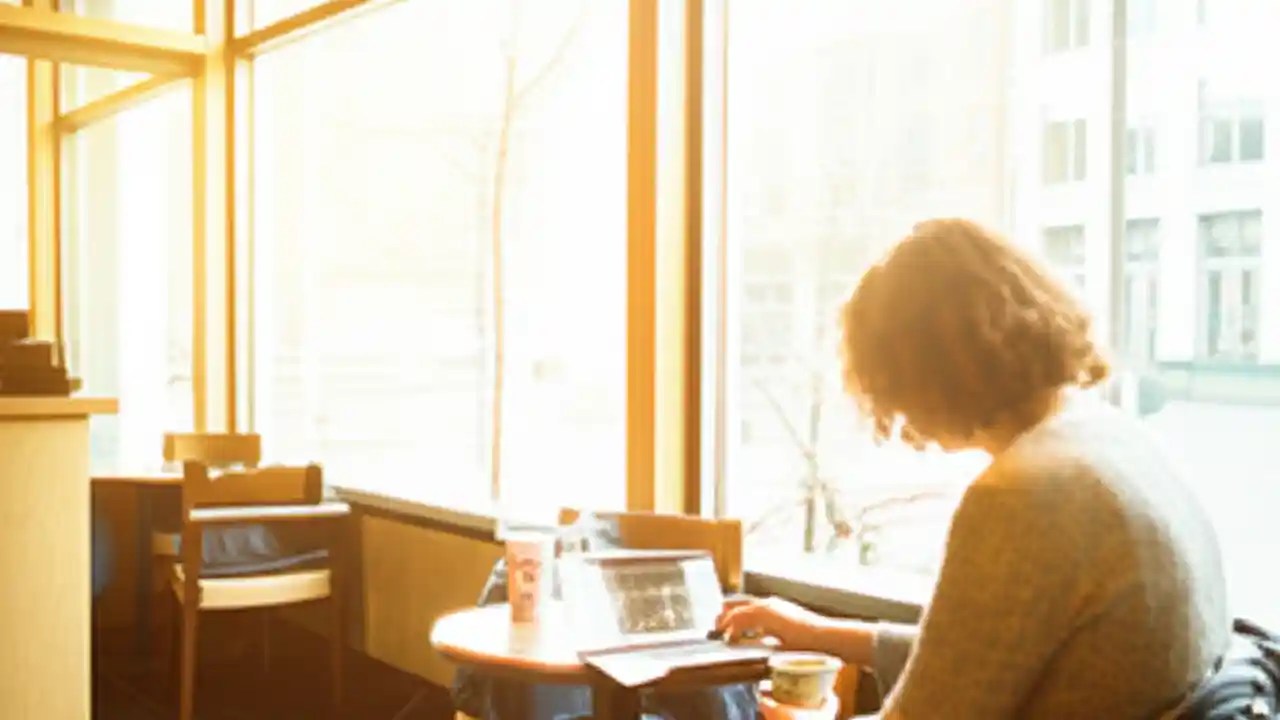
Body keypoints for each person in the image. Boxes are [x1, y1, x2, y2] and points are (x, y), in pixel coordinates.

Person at [719, 219, 1231, 719]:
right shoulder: (1113, 441)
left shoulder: (1023, 493)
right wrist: (820, 633)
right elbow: (984, 654)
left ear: (921, 369)